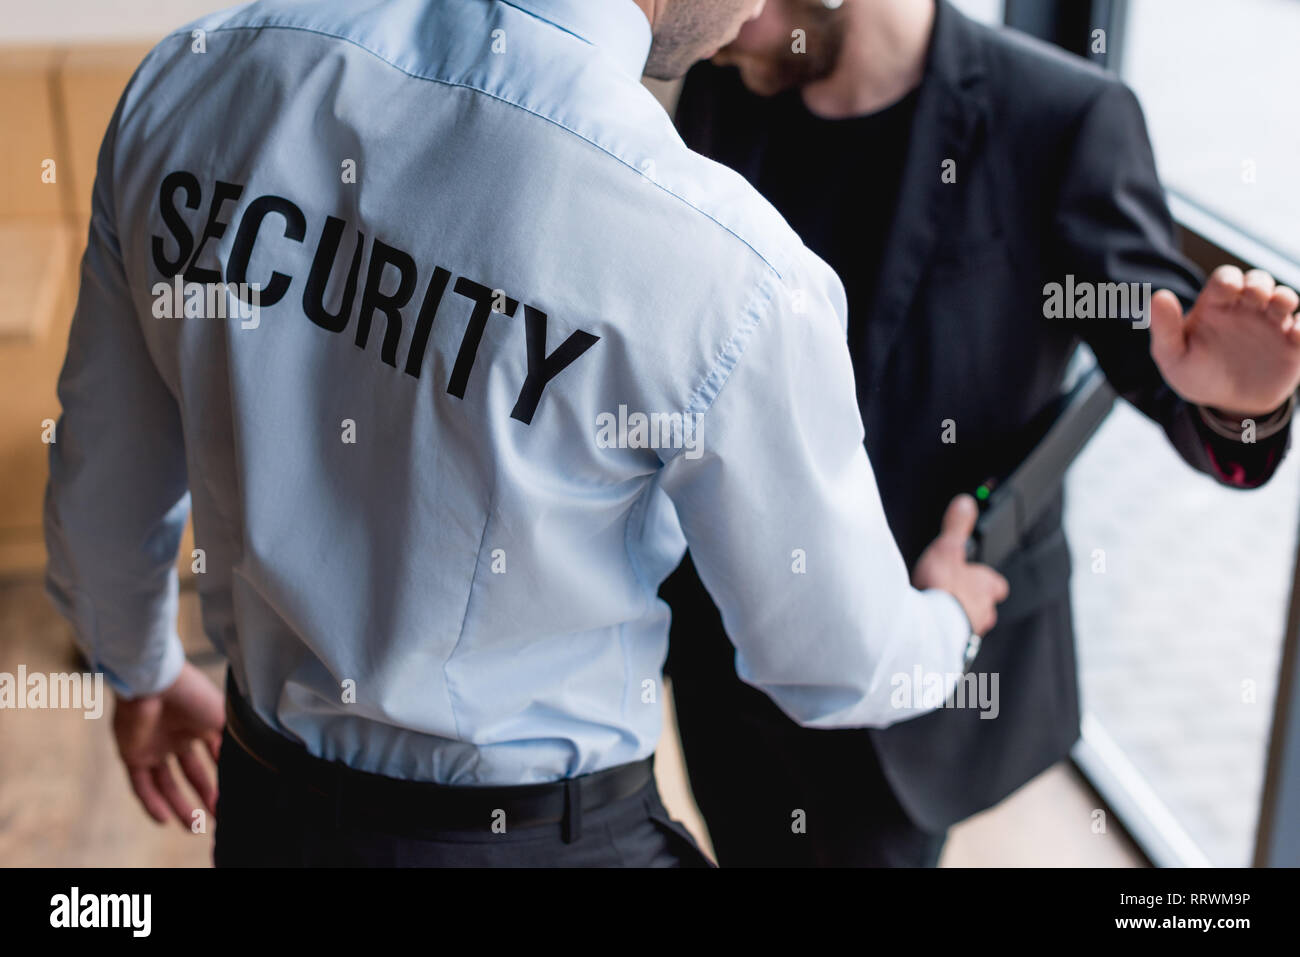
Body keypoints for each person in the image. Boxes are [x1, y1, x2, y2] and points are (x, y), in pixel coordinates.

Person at [43, 0, 1009, 867]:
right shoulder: (729, 270)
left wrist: (139, 668)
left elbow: (101, 480)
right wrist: (947, 617)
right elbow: (833, 662)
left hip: (268, 812)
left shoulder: (200, 71)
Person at [660, 0, 1300, 867]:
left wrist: (1235, 401)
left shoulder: (1060, 117)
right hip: (723, 654)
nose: (725, 23)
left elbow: (1165, 356)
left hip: (914, 688)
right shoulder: (727, 86)